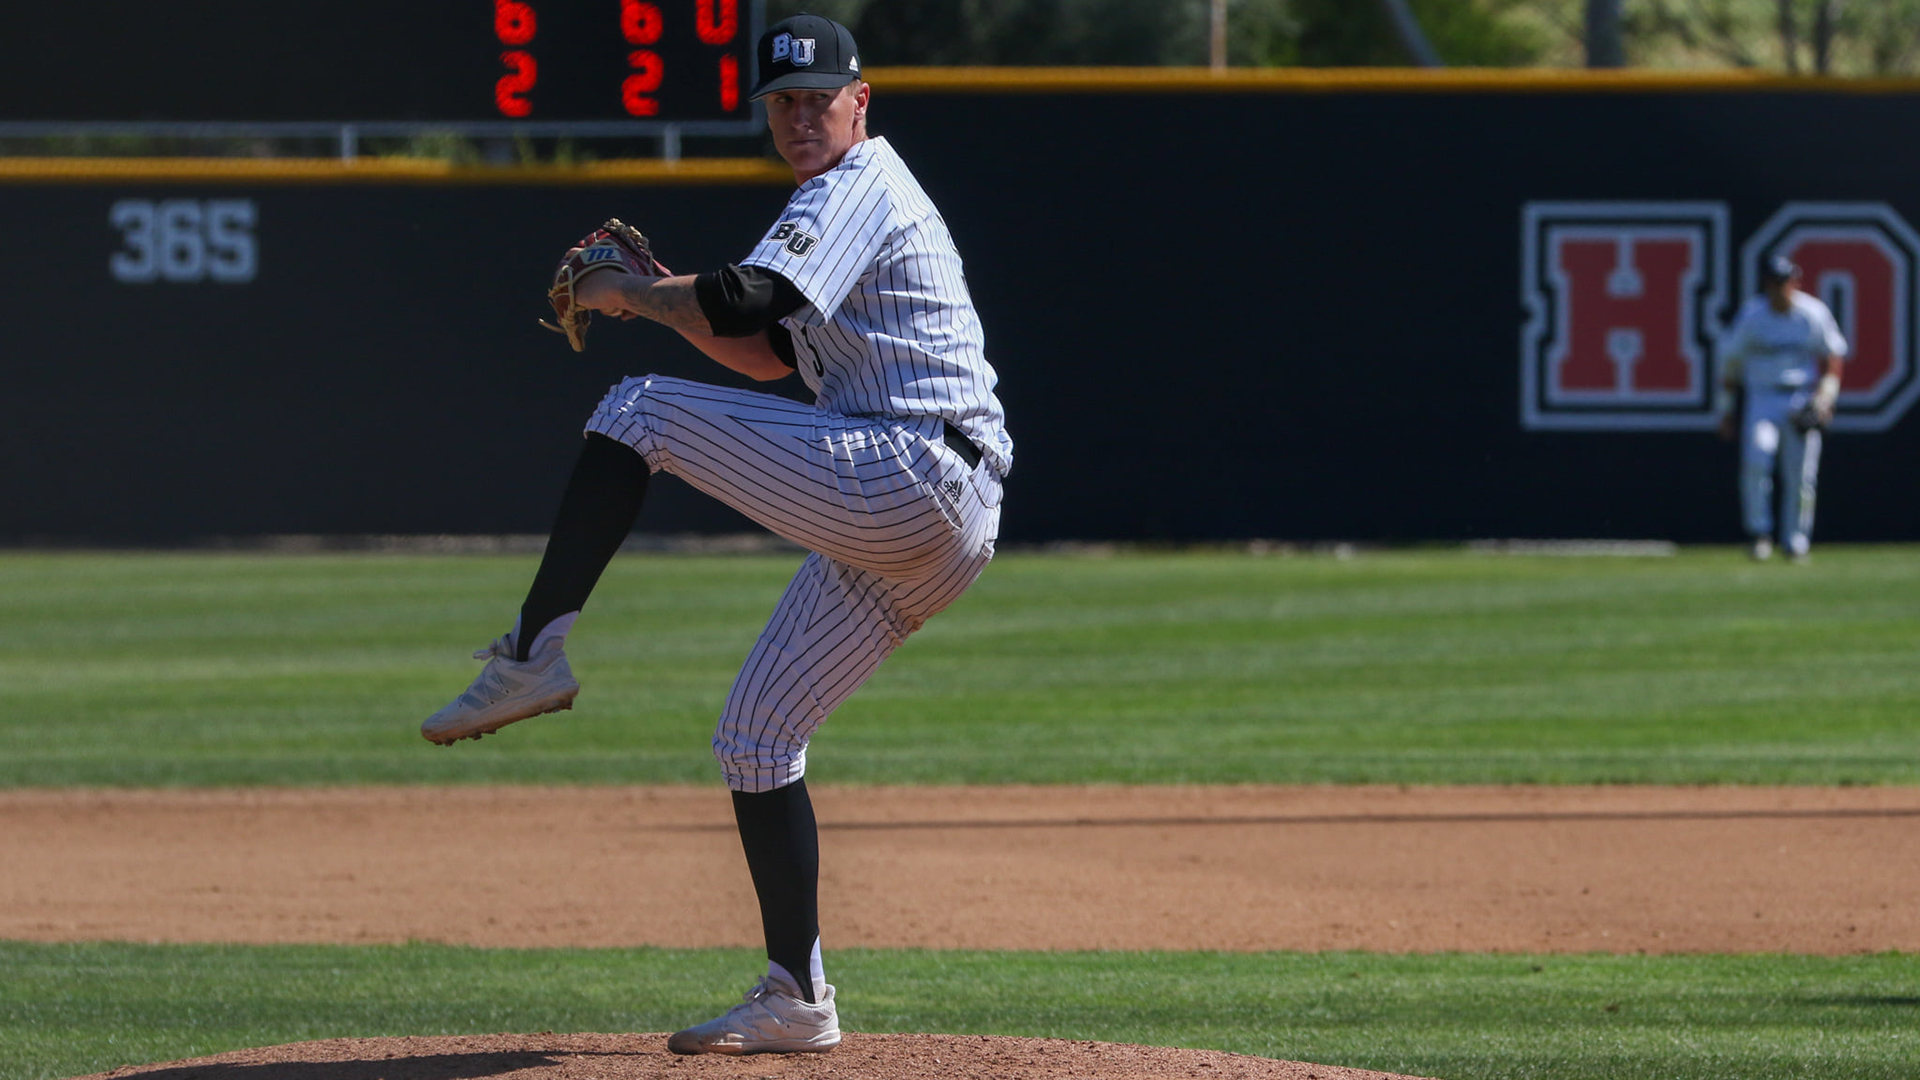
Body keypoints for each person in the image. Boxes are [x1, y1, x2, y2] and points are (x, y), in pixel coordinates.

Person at [420, 14, 1010, 1056]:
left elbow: (752, 294)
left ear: (859, 101)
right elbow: (763, 348)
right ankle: (797, 995)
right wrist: (663, 298)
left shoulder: (860, 181)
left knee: (638, 411)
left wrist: (625, 294)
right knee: (756, 737)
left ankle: (528, 654)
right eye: (780, 103)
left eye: (816, 98)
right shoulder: (830, 204)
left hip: (914, 469)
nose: (797, 118)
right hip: (932, 515)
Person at [1715, 255, 1846, 563]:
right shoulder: (1753, 316)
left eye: (1786, 282)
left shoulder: (1811, 313)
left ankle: (1796, 542)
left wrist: (1825, 398)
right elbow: (1731, 365)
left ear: (1795, 282)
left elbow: (1833, 358)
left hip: (1800, 397)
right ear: (1766, 285)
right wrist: (1726, 410)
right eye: (1775, 283)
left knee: (1801, 475)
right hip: (1762, 397)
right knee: (1757, 460)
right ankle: (1760, 534)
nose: (1781, 289)